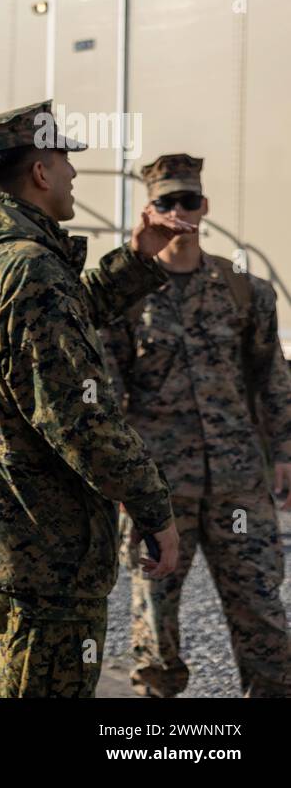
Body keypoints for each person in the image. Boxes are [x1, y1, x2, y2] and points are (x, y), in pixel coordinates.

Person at [0, 99, 188, 697]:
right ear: (39, 172)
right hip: (48, 548)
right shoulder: (30, 268)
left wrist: (136, 260)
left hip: (7, 534)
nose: (74, 174)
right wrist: (153, 506)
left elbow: (60, 321)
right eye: (65, 160)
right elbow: (80, 420)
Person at [101, 153, 291, 697]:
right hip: (158, 490)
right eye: (167, 202)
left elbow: (270, 377)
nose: (180, 211)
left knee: (263, 618)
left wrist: (285, 451)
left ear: (204, 205)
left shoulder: (245, 291)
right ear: (150, 209)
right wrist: (118, 479)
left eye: (189, 200)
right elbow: (108, 395)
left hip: (238, 486)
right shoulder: (127, 295)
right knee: (156, 632)